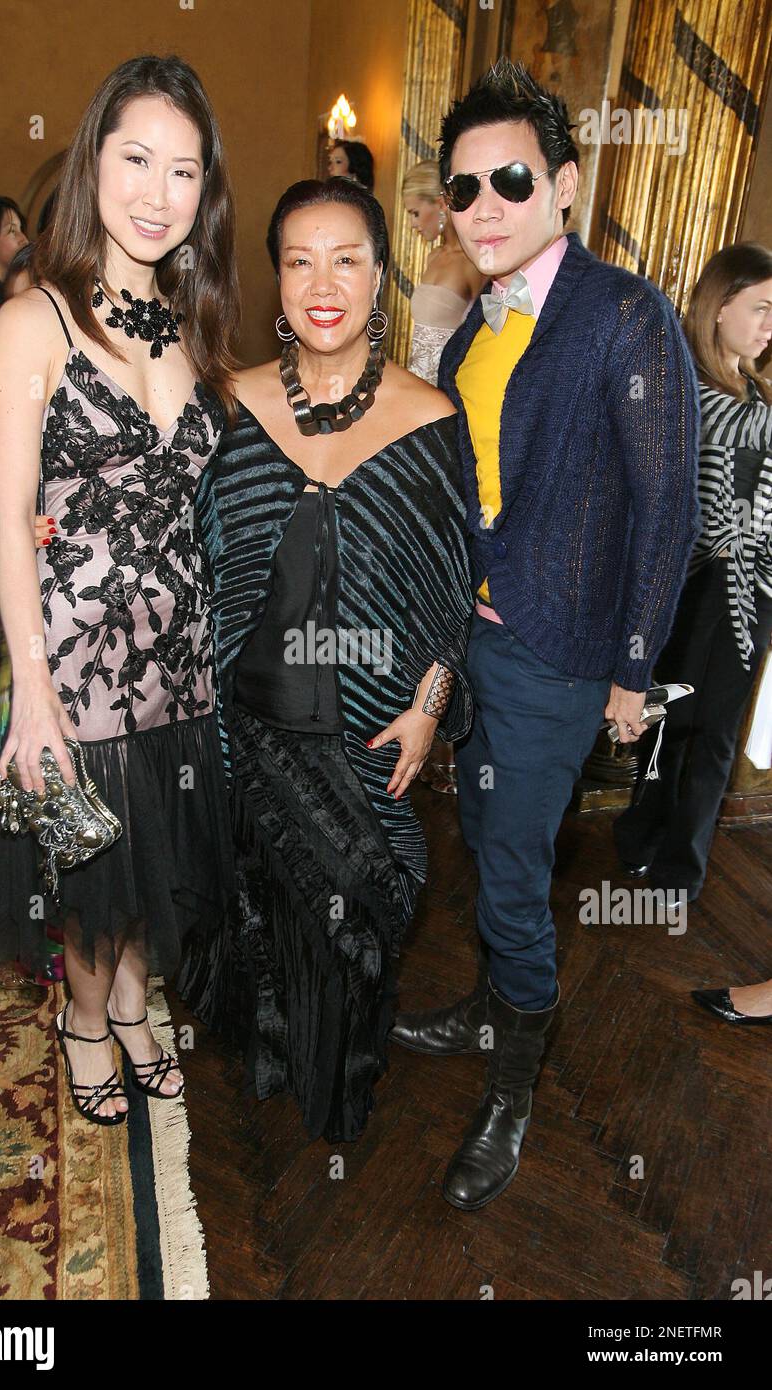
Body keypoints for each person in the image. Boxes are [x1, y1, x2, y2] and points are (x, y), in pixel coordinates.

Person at [390, 59, 700, 1211]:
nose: (480, 209)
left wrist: (633, 669)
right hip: (470, 643)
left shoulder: (623, 315)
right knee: (480, 831)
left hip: (560, 652)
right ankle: (487, 1003)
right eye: (461, 190)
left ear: (563, 185)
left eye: (508, 181)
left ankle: (512, 1088)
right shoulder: (475, 329)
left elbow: (669, 505)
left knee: (513, 863)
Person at [177, 177, 473, 1143]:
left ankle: (340, 1085)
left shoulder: (430, 418)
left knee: (361, 925)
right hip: (252, 720)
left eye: (346, 258)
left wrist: (431, 704)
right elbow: (185, 562)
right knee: (260, 915)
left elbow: (449, 594)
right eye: (299, 260)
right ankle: (269, 1063)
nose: (323, 281)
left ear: (380, 273)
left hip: (367, 729)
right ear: (277, 277)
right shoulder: (230, 404)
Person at [0, 54, 240, 1125]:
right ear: (93, 164)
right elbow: (6, 515)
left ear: (203, 195)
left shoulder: (194, 324)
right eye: (136, 158)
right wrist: (28, 690)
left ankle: (133, 1001)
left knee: (155, 867)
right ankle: (85, 1021)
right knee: (91, 873)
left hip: (180, 660)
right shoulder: (32, 321)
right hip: (75, 662)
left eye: (182, 171)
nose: (156, 191)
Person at [614, 244, 772, 914]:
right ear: (718, 307)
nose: (771, 325)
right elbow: (664, 503)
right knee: (669, 720)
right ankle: (643, 836)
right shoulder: (685, 395)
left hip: (749, 590)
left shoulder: (758, 394)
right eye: (761, 308)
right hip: (689, 585)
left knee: (712, 731)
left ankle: (681, 866)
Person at [403, 159, 484, 794]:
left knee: (444, 575)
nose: (417, 223)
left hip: (449, 431)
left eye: (418, 210)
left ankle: (448, 740)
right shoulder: (443, 260)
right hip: (413, 423)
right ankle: (417, 722)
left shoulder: (473, 268)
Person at [403, 159, 483, 387]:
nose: (412, 223)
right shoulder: (433, 257)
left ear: (440, 204)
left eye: (415, 213)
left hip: (450, 390)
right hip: (417, 390)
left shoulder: (474, 260)